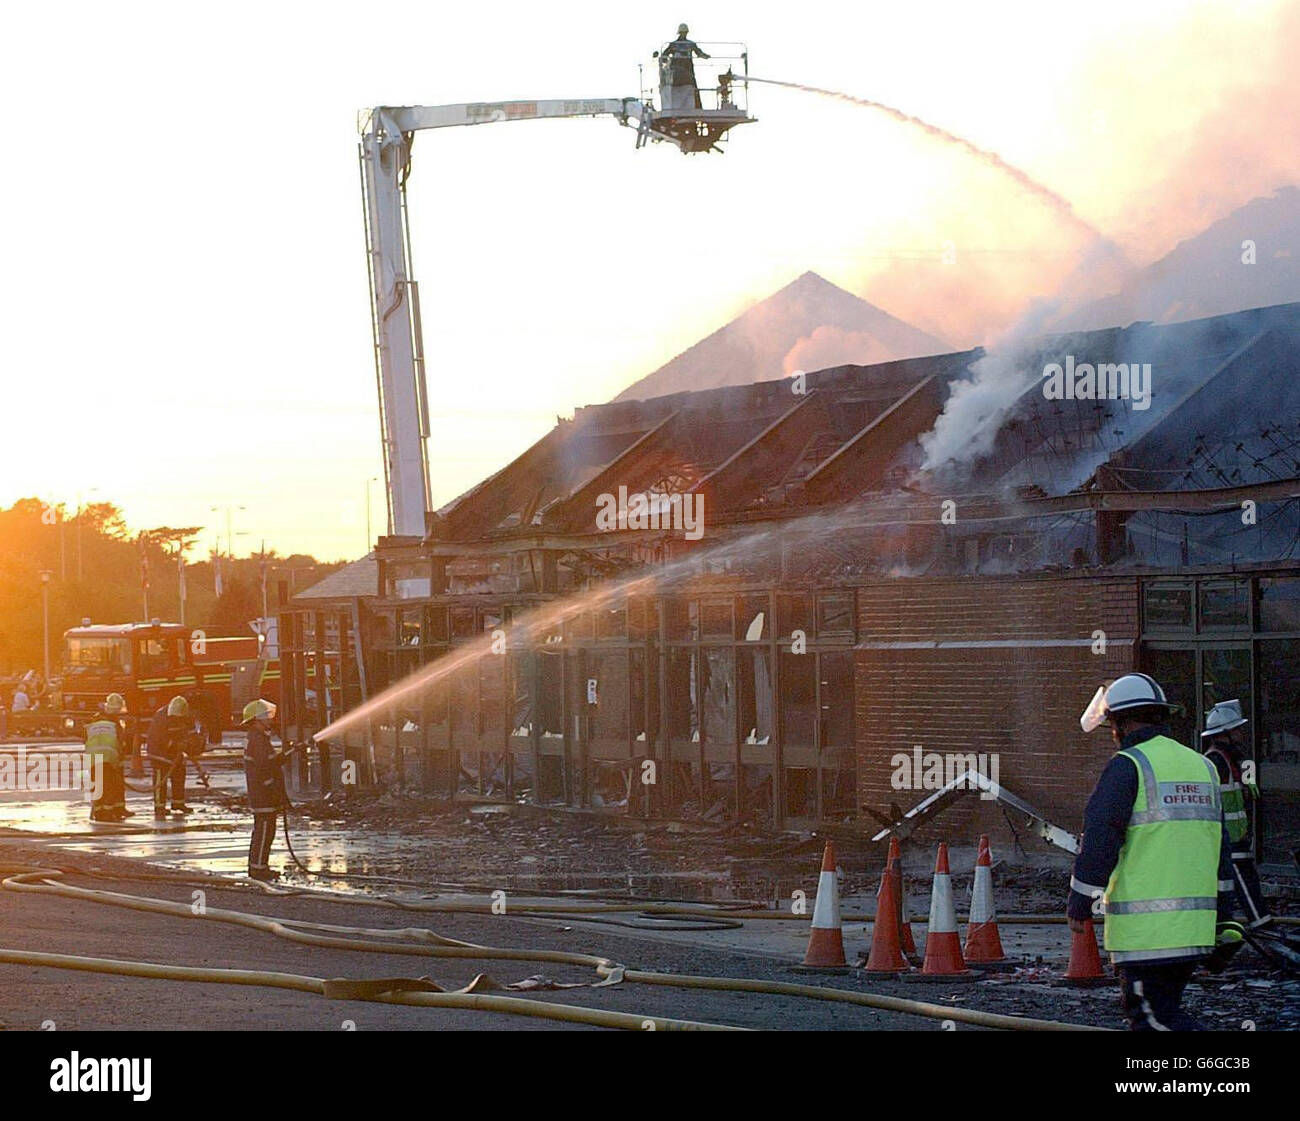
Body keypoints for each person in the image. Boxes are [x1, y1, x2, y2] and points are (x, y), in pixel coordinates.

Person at [1069, 673, 1237, 1030]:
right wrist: (1226, 917)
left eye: (1112, 725)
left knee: (1154, 1021)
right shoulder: (1202, 766)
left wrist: (1080, 899)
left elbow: (1100, 836)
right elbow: (1221, 848)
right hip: (1195, 931)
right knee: (1165, 1012)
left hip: (1147, 936)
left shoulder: (1127, 766)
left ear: (1123, 723)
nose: (1112, 734)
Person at [1202, 700, 1268, 926]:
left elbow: (1248, 794)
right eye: (1237, 729)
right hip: (1227, 839)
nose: (1241, 733)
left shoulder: (1234, 758)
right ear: (1225, 733)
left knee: (1243, 885)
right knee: (1244, 887)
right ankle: (1261, 929)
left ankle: (1249, 926)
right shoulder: (1214, 760)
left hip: (1236, 838)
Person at [242, 699, 286, 881]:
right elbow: (266, 765)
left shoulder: (257, 738)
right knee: (264, 831)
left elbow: (270, 761)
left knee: (264, 831)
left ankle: (259, 866)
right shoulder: (258, 739)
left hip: (262, 793)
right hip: (263, 794)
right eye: (265, 717)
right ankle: (259, 869)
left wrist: (289, 753)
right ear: (256, 720)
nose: (269, 720)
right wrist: (272, 788)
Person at [146, 695, 196, 820]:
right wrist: (174, 744)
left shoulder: (185, 716)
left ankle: (178, 803)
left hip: (175, 753)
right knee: (160, 780)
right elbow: (157, 738)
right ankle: (159, 807)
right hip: (159, 753)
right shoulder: (161, 718)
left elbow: (190, 732)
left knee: (179, 775)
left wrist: (190, 744)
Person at [85, 693, 129, 822]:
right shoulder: (114, 723)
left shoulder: (94, 719)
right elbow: (120, 741)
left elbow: (86, 738)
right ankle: (109, 813)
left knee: (99, 785)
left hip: (93, 756)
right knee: (111, 785)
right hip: (110, 756)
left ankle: (102, 812)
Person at [660, 23, 710, 110]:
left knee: (691, 88)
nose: (684, 34)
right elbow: (664, 55)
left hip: (685, 71)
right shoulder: (677, 44)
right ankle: (696, 107)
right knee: (685, 88)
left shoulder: (679, 44)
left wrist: (706, 56)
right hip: (680, 72)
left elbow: (699, 53)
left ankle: (696, 107)